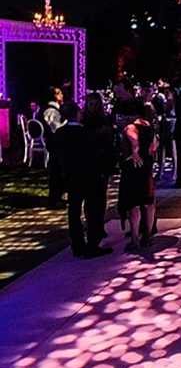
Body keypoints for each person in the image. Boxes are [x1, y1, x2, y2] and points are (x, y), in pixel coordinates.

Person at [55, 102, 112, 259]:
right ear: (77, 114)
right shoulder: (86, 133)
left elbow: (55, 156)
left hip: (70, 177)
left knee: (74, 211)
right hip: (88, 176)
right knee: (92, 210)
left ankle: (77, 245)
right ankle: (92, 245)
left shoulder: (59, 133)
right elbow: (95, 155)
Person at [118, 103, 158, 249]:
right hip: (147, 165)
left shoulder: (130, 127)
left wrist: (135, 152)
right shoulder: (149, 127)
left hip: (134, 167)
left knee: (134, 203)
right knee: (148, 201)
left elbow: (134, 140)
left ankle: (135, 238)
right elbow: (154, 146)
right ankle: (148, 235)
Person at [82, 93, 116, 251]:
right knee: (93, 200)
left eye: (94, 104)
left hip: (98, 164)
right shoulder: (87, 122)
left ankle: (97, 228)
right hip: (93, 164)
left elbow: (109, 143)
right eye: (90, 103)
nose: (92, 107)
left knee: (98, 199)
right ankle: (93, 231)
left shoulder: (101, 120)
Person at [43, 86, 66, 209]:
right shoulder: (51, 111)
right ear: (55, 96)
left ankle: (58, 197)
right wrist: (68, 123)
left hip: (58, 144)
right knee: (56, 172)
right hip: (56, 145)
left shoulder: (56, 110)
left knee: (59, 171)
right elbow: (56, 129)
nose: (62, 95)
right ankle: (54, 200)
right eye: (59, 93)